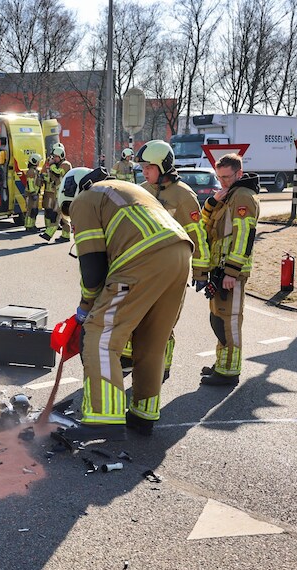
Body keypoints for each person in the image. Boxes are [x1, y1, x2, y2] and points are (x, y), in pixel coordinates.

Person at [59, 166, 193, 435]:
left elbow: (93, 267)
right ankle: (143, 415)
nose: (72, 220)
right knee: (152, 340)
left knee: (100, 332)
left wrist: (86, 309)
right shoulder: (127, 189)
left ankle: (104, 418)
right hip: (179, 254)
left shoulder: (86, 198)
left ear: (72, 191)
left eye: (68, 210)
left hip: (143, 257)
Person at [118, 140, 212, 379]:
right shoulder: (141, 190)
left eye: (149, 167)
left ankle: (162, 367)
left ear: (164, 166)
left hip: (172, 270)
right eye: (143, 167)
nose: (144, 171)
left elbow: (196, 233)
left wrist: (201, 271)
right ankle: (128, 358)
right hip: (142, 267)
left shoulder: (183, 196)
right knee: (133, 314)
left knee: (163, 321)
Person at [200, 153, 260, 387]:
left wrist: (232, 272)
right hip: (220, 269)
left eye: (226, 177)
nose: (222, 182)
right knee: (219, 319)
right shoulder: (229, 195)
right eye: (219, 177)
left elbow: (245, 235)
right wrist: (212, 202)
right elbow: (207, 225)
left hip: (229, 272)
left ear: (239, 174)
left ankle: (229, 371)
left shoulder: (243, 196)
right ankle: (222, 364)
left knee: (229, 321)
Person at [38, 143, 72, 242]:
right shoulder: (57, 165)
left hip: (64, 195)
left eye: (56, 157)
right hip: (59, 194)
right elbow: (52, 177)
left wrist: (51, 165)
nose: (55, 158)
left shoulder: (66, 165)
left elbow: (58, 172)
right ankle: (65, 236)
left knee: (55, 214)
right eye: (54, 157)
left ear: (61, 156)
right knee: (63, 217)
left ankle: (48, 234)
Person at [21, 153, 44, 232]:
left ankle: (32, 225)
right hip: (31, 194)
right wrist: (33, 193)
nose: (39, 163)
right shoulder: (31, 172)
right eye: (38, 162)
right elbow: (30, 183)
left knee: (34, 210)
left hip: (34, 194)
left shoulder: (35, 171)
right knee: (31, 211)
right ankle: (29, 226)